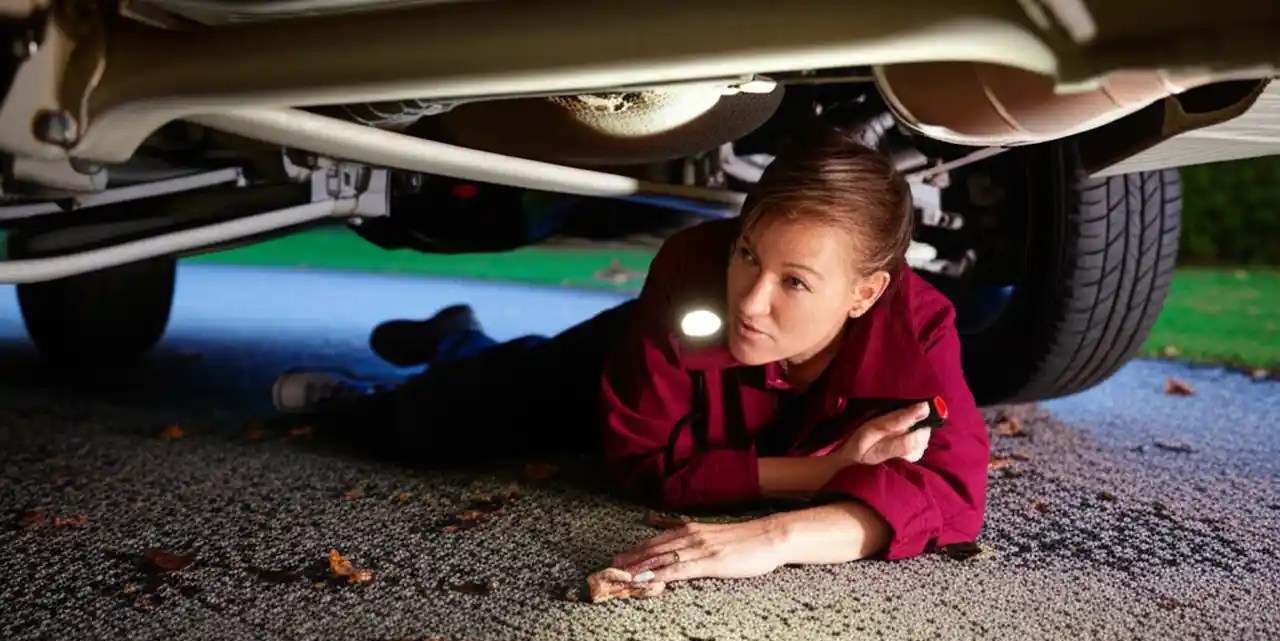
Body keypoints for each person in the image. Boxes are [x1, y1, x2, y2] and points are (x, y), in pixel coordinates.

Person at [272, 125, 990, 588]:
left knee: (492, 390)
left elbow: (954, 502)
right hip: (614, 369)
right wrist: (826, 475)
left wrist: (774, 538)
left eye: (795, 282)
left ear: (864, 293)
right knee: (439, 422)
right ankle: (376, 399)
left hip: (715, 438)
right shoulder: (692, 269)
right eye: (748, 254)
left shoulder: (918, 330)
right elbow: (644, 460)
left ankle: (456, 336)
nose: (750, 299)